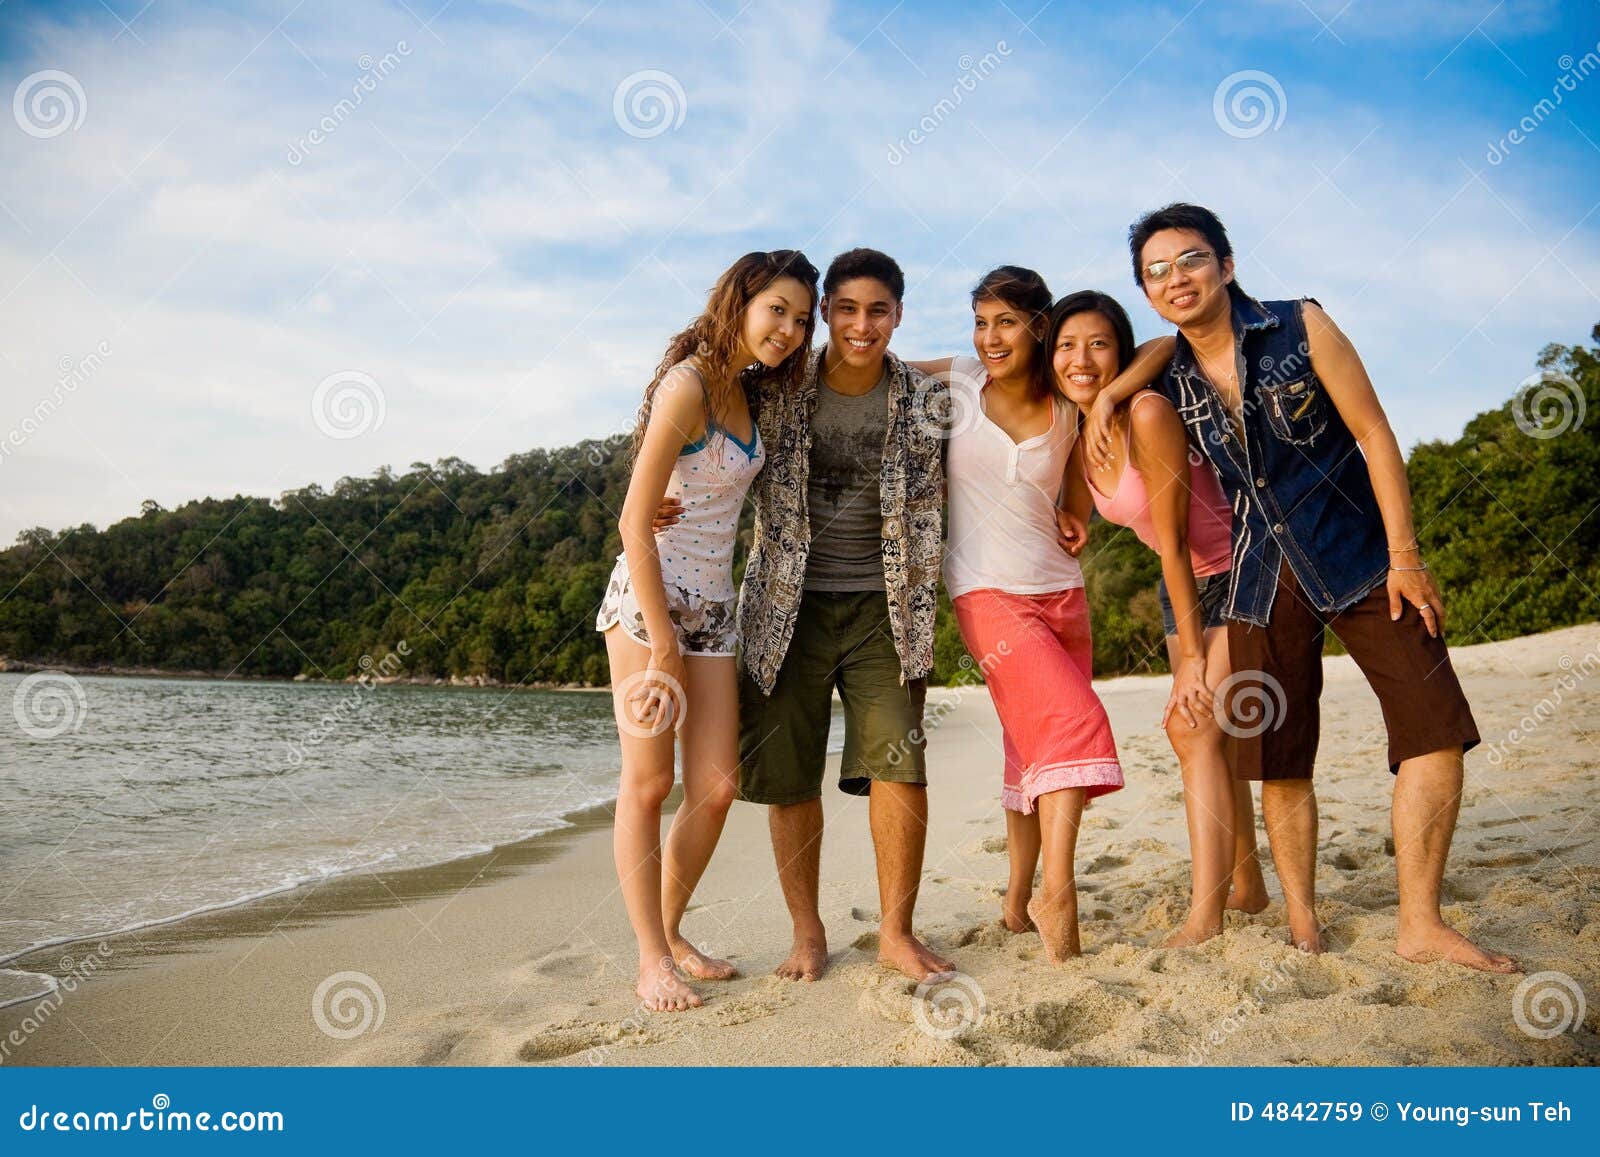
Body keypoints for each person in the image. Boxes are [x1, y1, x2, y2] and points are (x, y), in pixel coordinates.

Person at [1088, 203, 1514, 972]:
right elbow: (1156, 360)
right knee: (1281, 758)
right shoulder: (1170, 378)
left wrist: (1406, 553)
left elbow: (1375, 432)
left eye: (1189, 260)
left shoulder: (1301, 325)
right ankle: (1304, 918)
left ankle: (1420, 920)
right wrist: (1110, 394)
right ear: (1147, 292)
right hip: (1257, 580)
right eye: (1156, 272)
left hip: (1358, 556)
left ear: (1226, 263)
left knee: (1434, 725)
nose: (1175, 279)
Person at [659, 248, 955, 982]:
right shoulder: (775, 387)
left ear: (898, 315)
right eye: (847, 309)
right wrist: (654, 498)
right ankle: (806, 931)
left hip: (891, 613)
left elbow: (1005, 376)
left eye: (878, 310)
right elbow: (694, 415)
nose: (862, 324)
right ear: (825, 313)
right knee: (789, 778)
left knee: (901, 766)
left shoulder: (924, 397)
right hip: (782, 610)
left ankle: (895, 932)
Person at [596, 250, 819, 1011]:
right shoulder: (688, 383)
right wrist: (660, 640)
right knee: (650, 781)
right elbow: (634, 518)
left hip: (715, 610)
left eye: (800, 317)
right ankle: (652, 957)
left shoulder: (756, 391)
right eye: (776, 310)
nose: (788, 329)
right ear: (740, 301)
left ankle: (671, 928)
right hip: (648, 604)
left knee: (718, 785)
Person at [1047, 289, 1269, 947]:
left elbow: (1173, 540)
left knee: (1191, 727)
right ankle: (1248, 884)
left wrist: (1195, 660)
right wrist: (1070, 519)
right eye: (1065, 344)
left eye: (1097, 343)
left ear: (1120, 353)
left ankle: (1205, 916)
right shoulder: (1078, 432)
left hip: (1241, 567)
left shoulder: (1146, 411)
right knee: (1215, 736)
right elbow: (1082, 509)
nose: (1080, 359)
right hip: (1182, 589)